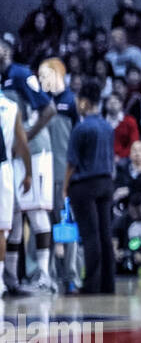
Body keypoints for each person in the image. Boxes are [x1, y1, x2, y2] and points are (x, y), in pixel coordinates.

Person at [1, 35, 58, 294]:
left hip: (34, 151)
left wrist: (26, 137)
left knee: (36, 212)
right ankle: (10, 277)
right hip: (11, 155)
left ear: (7, 50)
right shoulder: (3, 79)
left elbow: (49, 110)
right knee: (11, 216)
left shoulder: (22, 73)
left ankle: (44, 274)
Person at [65, 80, 116, 296]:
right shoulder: (107, 126)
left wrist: (64, 188)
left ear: (84, 102)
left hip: (84, 185)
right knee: (105, 234)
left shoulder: (81, 128)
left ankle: (91, 286)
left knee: (90, 236)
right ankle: (108, 284)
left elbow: (72, 163)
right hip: (106, 182)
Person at [39, 58, 79, 293]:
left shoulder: (70, 102)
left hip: (63, 174)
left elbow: (78, 137)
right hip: (42, 172)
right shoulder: (41, 101)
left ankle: (70, 276)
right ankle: (48, 276)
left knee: (67, 225)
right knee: (45, 225)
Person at [0, 92, 32, 299]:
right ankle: (5, 280)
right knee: (4, 229)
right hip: (5, 169)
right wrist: (28, 172)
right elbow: (22, 143)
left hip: (5, 167)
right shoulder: (11, 106)